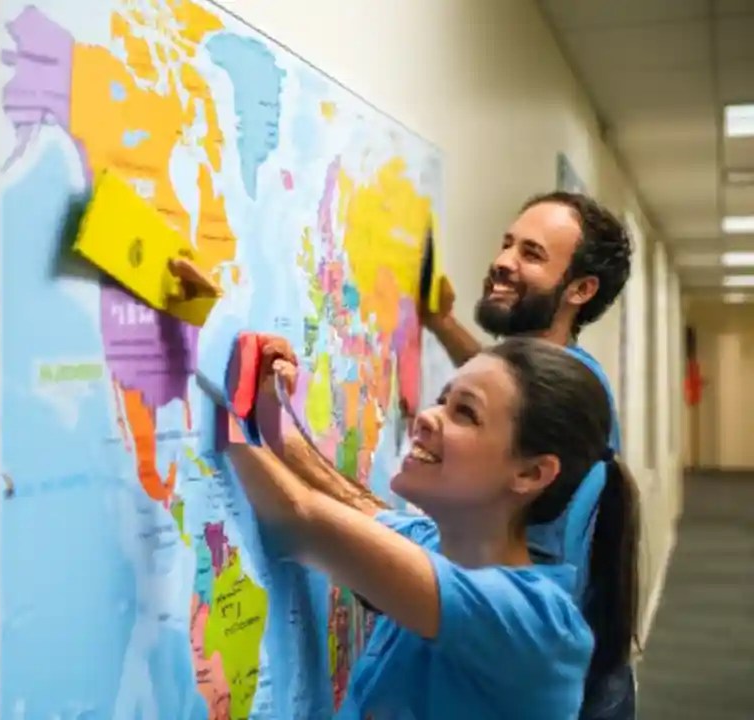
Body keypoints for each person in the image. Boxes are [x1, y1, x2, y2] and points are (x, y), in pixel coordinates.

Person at [228, 335, 640, 720]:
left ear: (531, 473)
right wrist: (269, 402)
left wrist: (189, 378)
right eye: (443, 400)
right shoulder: (435, 544)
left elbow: (299, 517)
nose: (426, 416)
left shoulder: (534, 622)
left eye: (465, 412)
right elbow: (342, 501)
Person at [422, 192, 635, 718]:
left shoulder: (568, 399)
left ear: (581, 289)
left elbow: (510, 402)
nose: (502, 261)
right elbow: (507, 389)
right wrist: (443, 322)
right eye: (506, 243)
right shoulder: (572, 380)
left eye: (532, 254)